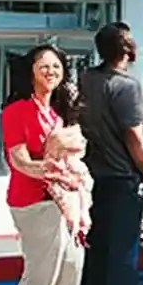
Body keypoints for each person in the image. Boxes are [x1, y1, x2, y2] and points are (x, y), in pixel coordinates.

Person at [78, 21, 143, 285]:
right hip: (121, 179)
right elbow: (134, 136)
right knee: (122, 258)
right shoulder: (126, 86)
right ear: (127, 49)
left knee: (96, 252)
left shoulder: (86, 80)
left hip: (92, 178)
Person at [1, 44, 86, 285]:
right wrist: (48, 171)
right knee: (42, 277)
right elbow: (19, 160)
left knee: (70, 271)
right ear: (32, 72)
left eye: (56, 66)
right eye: (44, 66)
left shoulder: (57, 114)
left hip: (64, 204)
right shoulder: (17, 110)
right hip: (34, 202)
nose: (51, 71)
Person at [43, 83, 93, 247]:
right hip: (65, 187)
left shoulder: (76, 127)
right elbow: (50, 170)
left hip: (79, 185)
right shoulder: (57, 133)